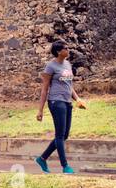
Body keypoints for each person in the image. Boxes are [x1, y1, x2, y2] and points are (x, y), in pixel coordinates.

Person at [35, 40, 85, 174]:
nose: (68, 50)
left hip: (67, 101)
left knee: (64, 135)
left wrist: (78, 99)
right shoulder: (50, 67)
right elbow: (44, 89)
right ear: (58, 51)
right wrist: (40, 110)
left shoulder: (68, 64)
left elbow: (70, 86)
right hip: (56, 102)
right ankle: (65, 166)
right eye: (66, 48)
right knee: (59, 134)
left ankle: (42, 158)